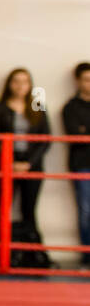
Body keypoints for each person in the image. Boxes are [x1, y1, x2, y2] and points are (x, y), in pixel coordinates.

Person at [0, 68, 50, 234]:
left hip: (32, 164)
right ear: (9, 84)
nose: (20, 85)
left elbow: (45, 139)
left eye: (24, 81)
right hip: (5, 163)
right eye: (16, 81)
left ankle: (31, 247)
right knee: (2, 207)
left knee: (29, 209)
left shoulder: (38, 106)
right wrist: (10, 162)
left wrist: (29, 163)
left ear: (30, 85)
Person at [63, 62, 90, 266]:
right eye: (86, 79)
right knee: (86, 211)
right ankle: (87, 257)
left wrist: (85, 130)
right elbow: (75, 134)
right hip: (82, 164)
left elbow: (82, 132)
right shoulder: (71, 107)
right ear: (78, 81)